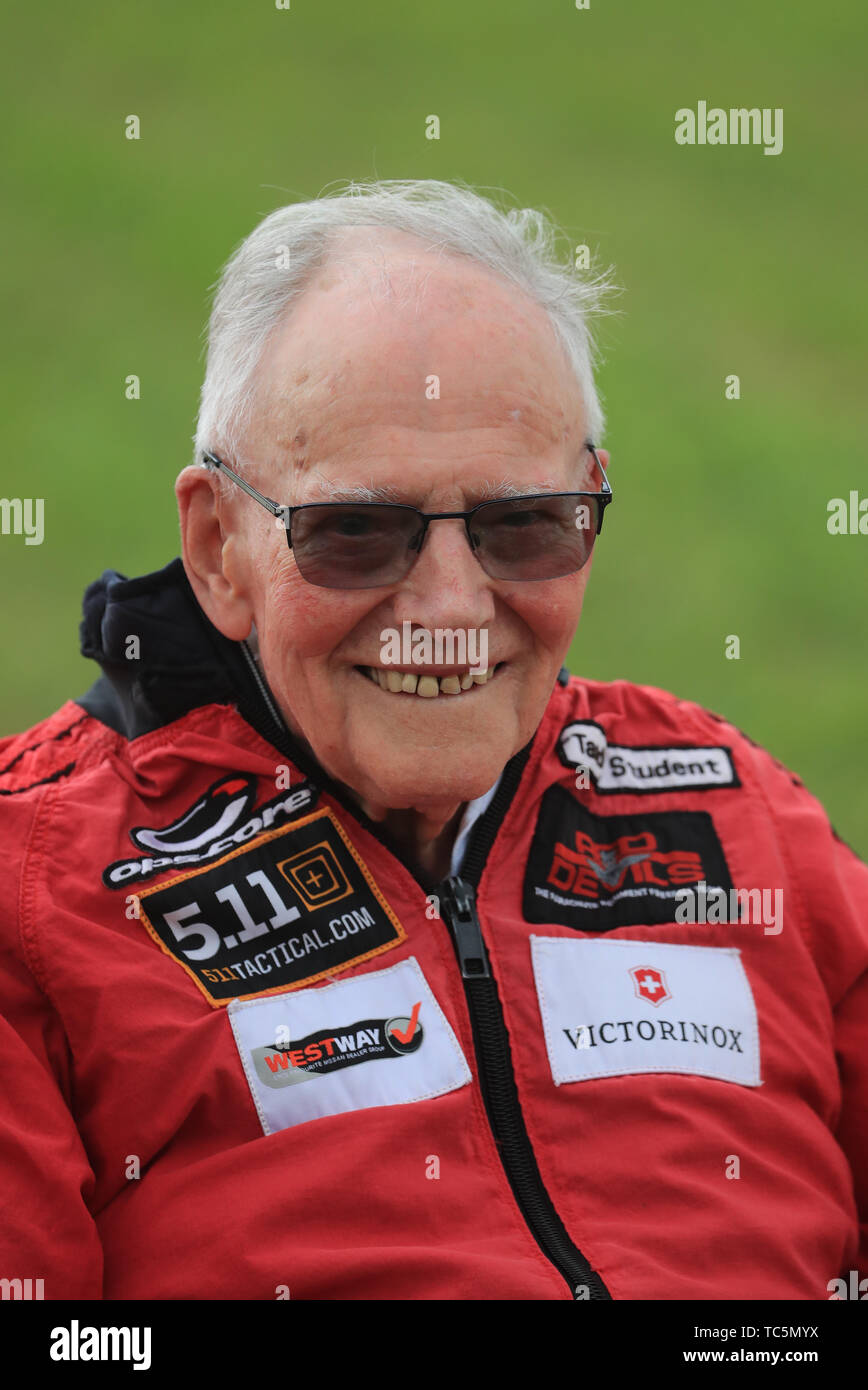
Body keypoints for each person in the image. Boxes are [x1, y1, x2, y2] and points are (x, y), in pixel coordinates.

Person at [1, 179, 865, 1301]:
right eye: (356, 531)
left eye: (523, 526)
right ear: (218, 548)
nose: (451, 609)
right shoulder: (36, 894)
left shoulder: (739, 818)